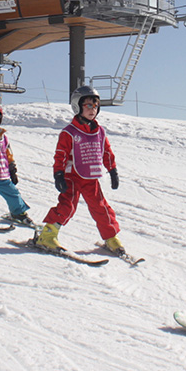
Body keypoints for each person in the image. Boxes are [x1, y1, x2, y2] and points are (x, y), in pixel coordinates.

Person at [36, 86, 124, 253]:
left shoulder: (99, 132)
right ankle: (47, 235)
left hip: (90, 177)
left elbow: (106, 152)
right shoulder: (69, 132)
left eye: (96, 106)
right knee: (67, 206)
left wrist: (112, 171)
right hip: (72, 177)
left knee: (101, 208)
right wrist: (58, 174)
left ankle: (111, 237)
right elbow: (60, 154)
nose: (93, 109)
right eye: (88, 105)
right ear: (77, 106)